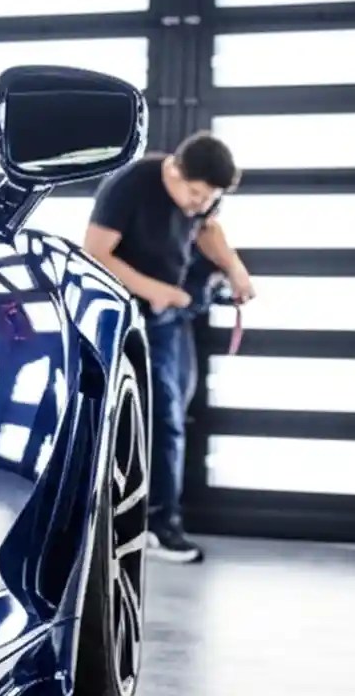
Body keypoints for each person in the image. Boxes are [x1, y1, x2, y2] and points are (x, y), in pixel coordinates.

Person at [83, 131, 256, 564]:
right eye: (195, 194)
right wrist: (157, 291)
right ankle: (159, 524)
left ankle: (156, 519)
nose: (199, 204)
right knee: (161, 416)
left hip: (171, 314)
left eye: (208, 197)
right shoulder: (130, 185)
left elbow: (207, 228)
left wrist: (234, 269)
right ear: (174, 170)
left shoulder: (201, 200)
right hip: (130, 314)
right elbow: (96, 252)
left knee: (176, 412)